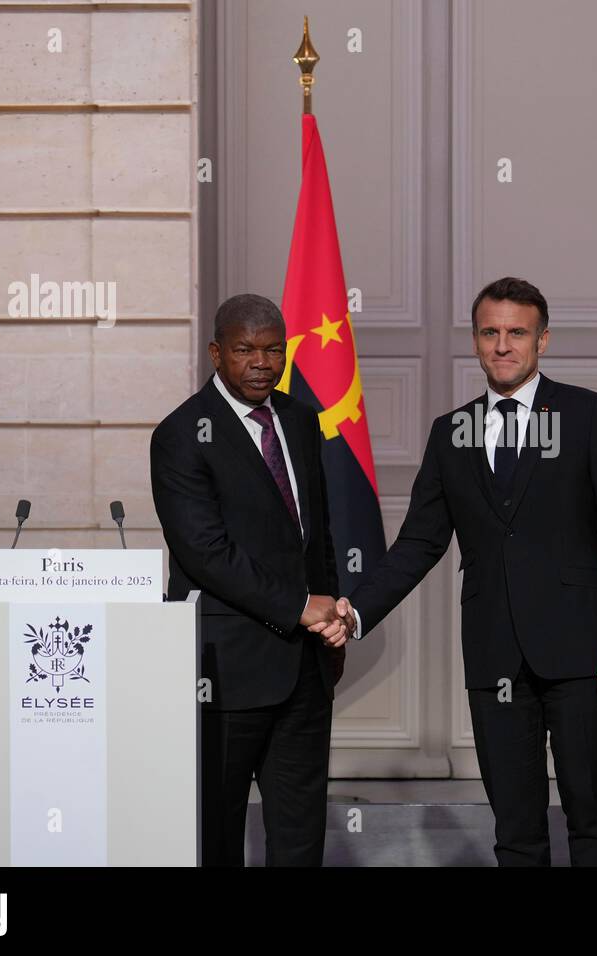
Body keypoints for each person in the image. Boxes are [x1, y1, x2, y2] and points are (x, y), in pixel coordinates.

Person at [320, 276, 597, 866]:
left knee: (592, 818)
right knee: (515, 828)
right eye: (490, 332)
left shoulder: (586, 415)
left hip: (584, 655)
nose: (503, 345)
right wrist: (356, 607)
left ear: (542, 340)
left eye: (517, 333)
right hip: (495, 655)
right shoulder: (451, 433)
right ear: (475, 342)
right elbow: (418, 543)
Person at [150, 292, 352, 866]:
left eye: (273, 350)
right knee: (216, 832)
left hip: (306, 672)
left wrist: (331, 615)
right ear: (216, 353)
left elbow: (319, 535)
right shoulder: (182, 435)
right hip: (223, 672)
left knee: (298, 834)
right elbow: (206, 553)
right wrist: (299, 606)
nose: (261, 362)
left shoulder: (300, 419)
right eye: (244, 350)